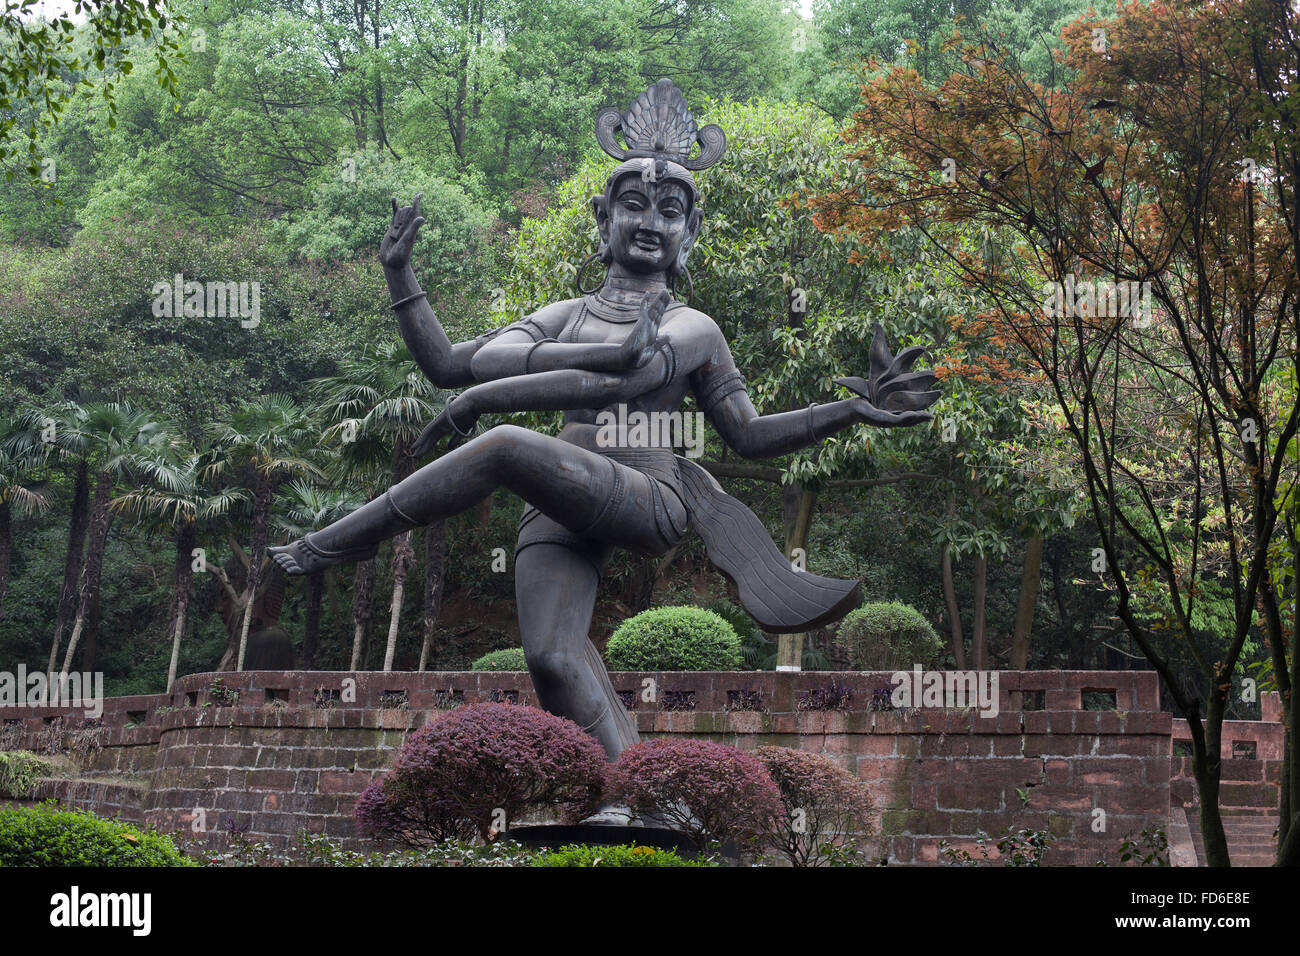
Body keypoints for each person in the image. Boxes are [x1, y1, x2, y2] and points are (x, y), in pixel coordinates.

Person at [271, 79, 939, 764]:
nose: (651, 221)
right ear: (604, 217)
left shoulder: (690, 325)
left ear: (691, 230)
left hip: (646, 489)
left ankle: (343, 539)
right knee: (553, 658)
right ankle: (628, 791)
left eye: (671, 210)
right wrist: (399, 276)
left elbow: (724, 420)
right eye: (634, 204)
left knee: (502, 445)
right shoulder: (568, 312)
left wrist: (849, 410)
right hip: (558, 492)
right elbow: (449, 364)